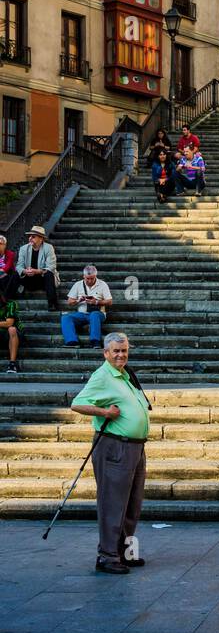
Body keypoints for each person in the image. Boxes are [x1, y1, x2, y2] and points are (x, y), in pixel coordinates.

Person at [70, 332, 151, 575]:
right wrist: (105, 413)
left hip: (135, 446)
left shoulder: (126, 374)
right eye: (115, 351)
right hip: (115, 446)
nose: (120, 355)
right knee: (113, 502)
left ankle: (124, 552)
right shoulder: (103, 375)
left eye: (124, 350)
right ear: (106, 353)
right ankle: (106, 556)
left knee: (132, 503)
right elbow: (77, 403)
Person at [63, 265, 112, 348]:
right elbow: (69, 302)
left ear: (95, 276)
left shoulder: (103, 284)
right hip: (82, 313)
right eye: (87, 278)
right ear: (83, 276)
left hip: (98, 313)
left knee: (94, 315)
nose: (89, 281)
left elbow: (110, 301)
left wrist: (96, 302)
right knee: (66, 317)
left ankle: (95, 341)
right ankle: (72, 341)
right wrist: (78, 300)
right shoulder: (78, 284)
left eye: (92, 278)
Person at [16, 225, 59, 310]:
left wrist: (37, 271)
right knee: (14, 273)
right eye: (30, 236)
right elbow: (19, 266)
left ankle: (52, 304)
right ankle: (7, 300)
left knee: (49, 274)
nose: (30, 238)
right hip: (29, 278)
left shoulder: (48, 248)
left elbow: (51, 266)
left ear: (41, 238)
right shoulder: (23, 248)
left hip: (42, 279)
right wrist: (25, 271)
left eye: (33, 236)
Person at [0, 233, 21, 307]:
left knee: (14, 275)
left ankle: (4, 298)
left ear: (5, 245)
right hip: (2, 276)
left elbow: (7, 267)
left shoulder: (10, 254)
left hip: (9, 275)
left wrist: (2, 272)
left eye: (0, 244)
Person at [1, 298, 21, 375]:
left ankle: (12, 364)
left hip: (13, 334)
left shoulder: (10, 304)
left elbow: (9, 323)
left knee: (12, 329)